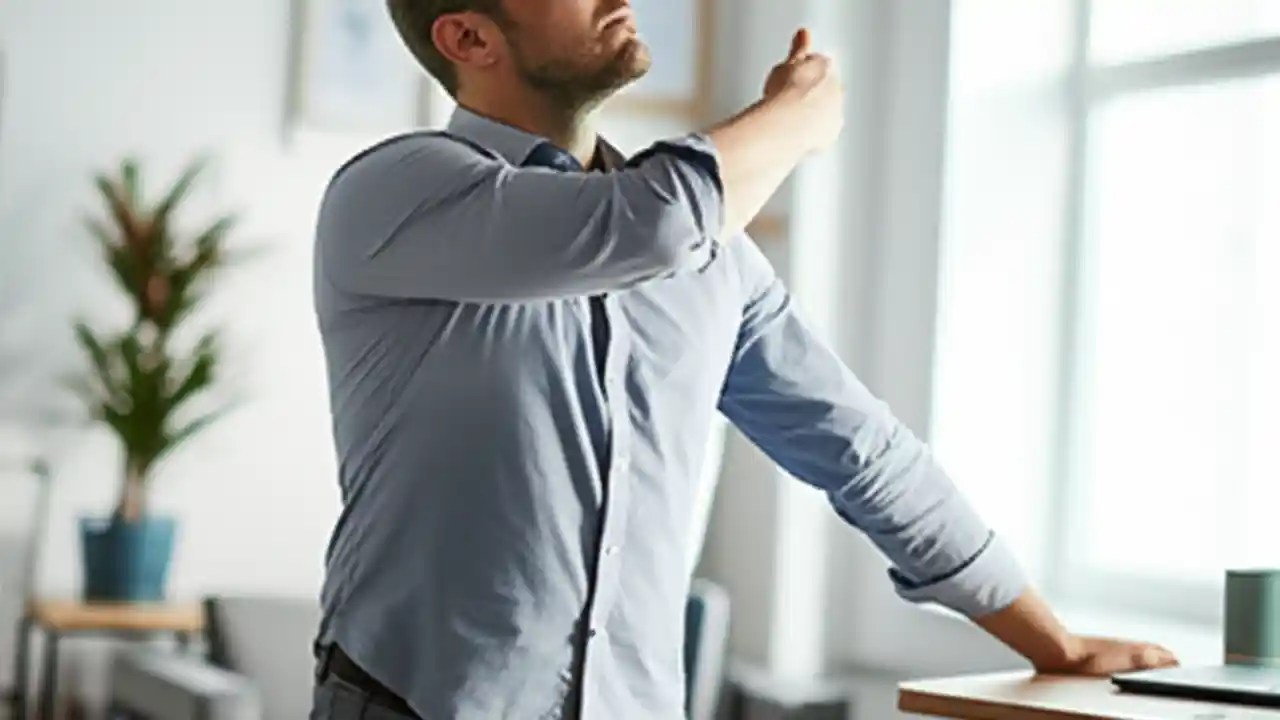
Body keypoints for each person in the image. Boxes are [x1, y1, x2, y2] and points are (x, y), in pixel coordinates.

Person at [309, 1, 1179, 718]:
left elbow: (862, 450)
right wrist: (792, 123)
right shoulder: (396, 192)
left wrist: (1052, 643)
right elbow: (645, 225)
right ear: (469, 38)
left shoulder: (711, 257)